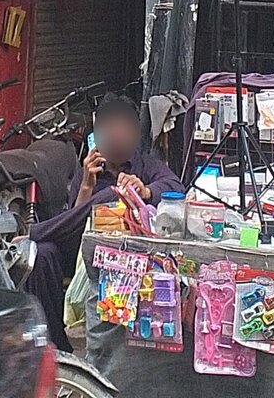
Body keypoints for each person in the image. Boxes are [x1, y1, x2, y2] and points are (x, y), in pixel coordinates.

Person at [26, 93, 183, 351]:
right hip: (82, 252)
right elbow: (71, 223)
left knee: (113, 195)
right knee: (41, 254)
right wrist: (86, 185)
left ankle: (33, 232)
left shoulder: (147, 165)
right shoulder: (87, 170)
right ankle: (55, 344)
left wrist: (143, 191)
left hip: (125, 256)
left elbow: (174, 185)